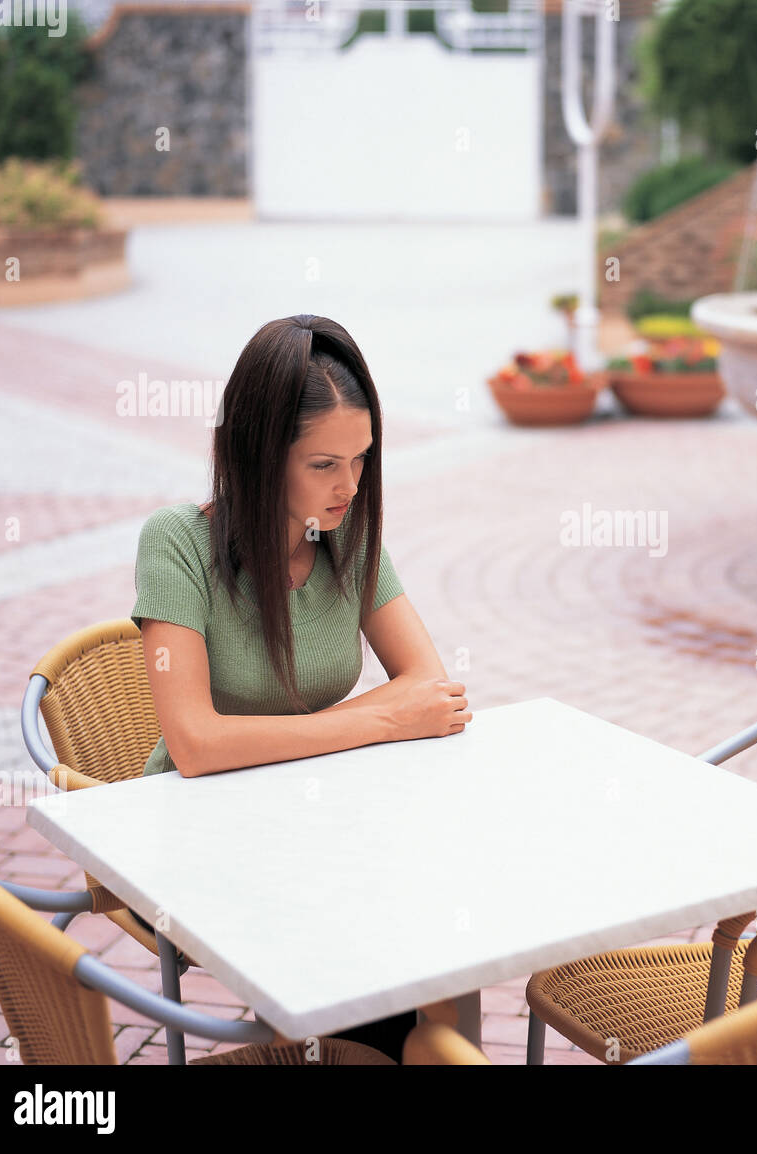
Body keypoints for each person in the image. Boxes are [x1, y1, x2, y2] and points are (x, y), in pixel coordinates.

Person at [130, 314, 471, 1063]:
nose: (350, 486)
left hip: (318, 822)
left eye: (361, 459)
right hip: (201, 841)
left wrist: (382, 717)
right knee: (382, 951)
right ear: (256, 455)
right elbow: (194, 744)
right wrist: (382, 721)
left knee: (430, 936)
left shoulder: (348, 540)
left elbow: (431, 688)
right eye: (324, 464)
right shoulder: (176, 545)